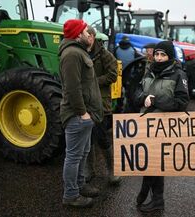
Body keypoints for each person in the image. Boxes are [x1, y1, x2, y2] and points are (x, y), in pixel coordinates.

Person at [134, 41, 190, 212]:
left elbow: (182, 102)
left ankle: (156, 200)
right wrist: (142, 98)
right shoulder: (148, 70)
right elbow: (136, 92)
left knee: (157, 164)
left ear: (170, 56)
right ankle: (146, 192)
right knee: (147, 160)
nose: (158, 58)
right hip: (146, 124)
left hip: (165, 127)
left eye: (162, 55)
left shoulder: (178, 74)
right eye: (157, 54)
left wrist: (157, 100)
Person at [58, 19, 103, 208]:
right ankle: (70, 195)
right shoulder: (71, 54)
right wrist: (82, 112)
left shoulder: (79, 51)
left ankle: (79, 185)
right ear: (77, 35)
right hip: (78, 116)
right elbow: (72, 88)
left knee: (83, 153)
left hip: (85, 115)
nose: (89, 34)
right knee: (74, 156)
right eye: (86, 31)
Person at [85, 26, 121, 186]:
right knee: (87, 136)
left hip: (101, 102)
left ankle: (112, 169)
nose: (82, 37)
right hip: (85, 101)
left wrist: (93, 82)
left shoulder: (105, 55)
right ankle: (89, 170)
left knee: (102, 136)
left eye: (84, 34)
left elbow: (113, 75)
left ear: (91, 36)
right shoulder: (81, 52)